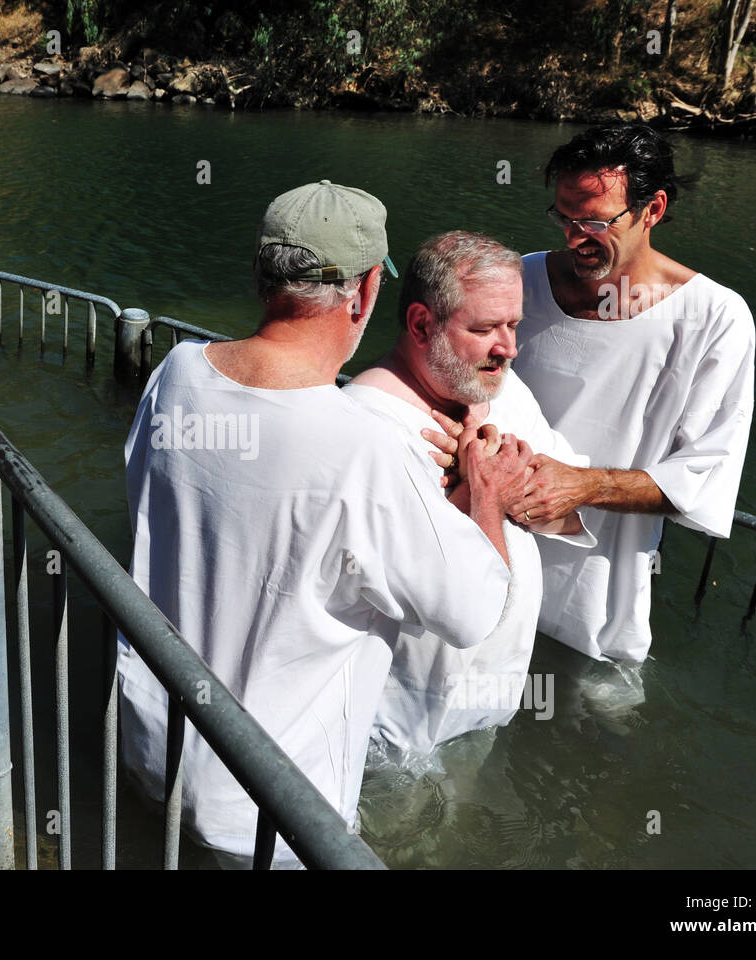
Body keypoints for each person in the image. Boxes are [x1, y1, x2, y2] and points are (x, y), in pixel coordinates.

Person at [117, 181, 533, 865]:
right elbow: (472, 612)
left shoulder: (176, 372)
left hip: (150, 744)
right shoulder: (363, 445)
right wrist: (483, 494)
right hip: (271, 804)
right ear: (366, 294)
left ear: (261, 274)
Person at [510, 124, 756, 663]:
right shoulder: (520, 278)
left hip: (594, 605)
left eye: (595, 221)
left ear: (653, 209)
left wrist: (581, 485)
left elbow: (702, 476)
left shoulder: (715, 317)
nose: (575, 237)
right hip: (488, 569)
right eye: (564, 217)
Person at [344, 231, 592, 761]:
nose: (509, 348)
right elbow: (422, 586)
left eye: (514, 325)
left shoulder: (503, 389)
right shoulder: (368, 422)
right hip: (392, 720)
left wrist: (504, 487)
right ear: (420, 324)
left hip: (489, 696)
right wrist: (480, 493)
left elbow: (571, 515)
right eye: (484, 329)